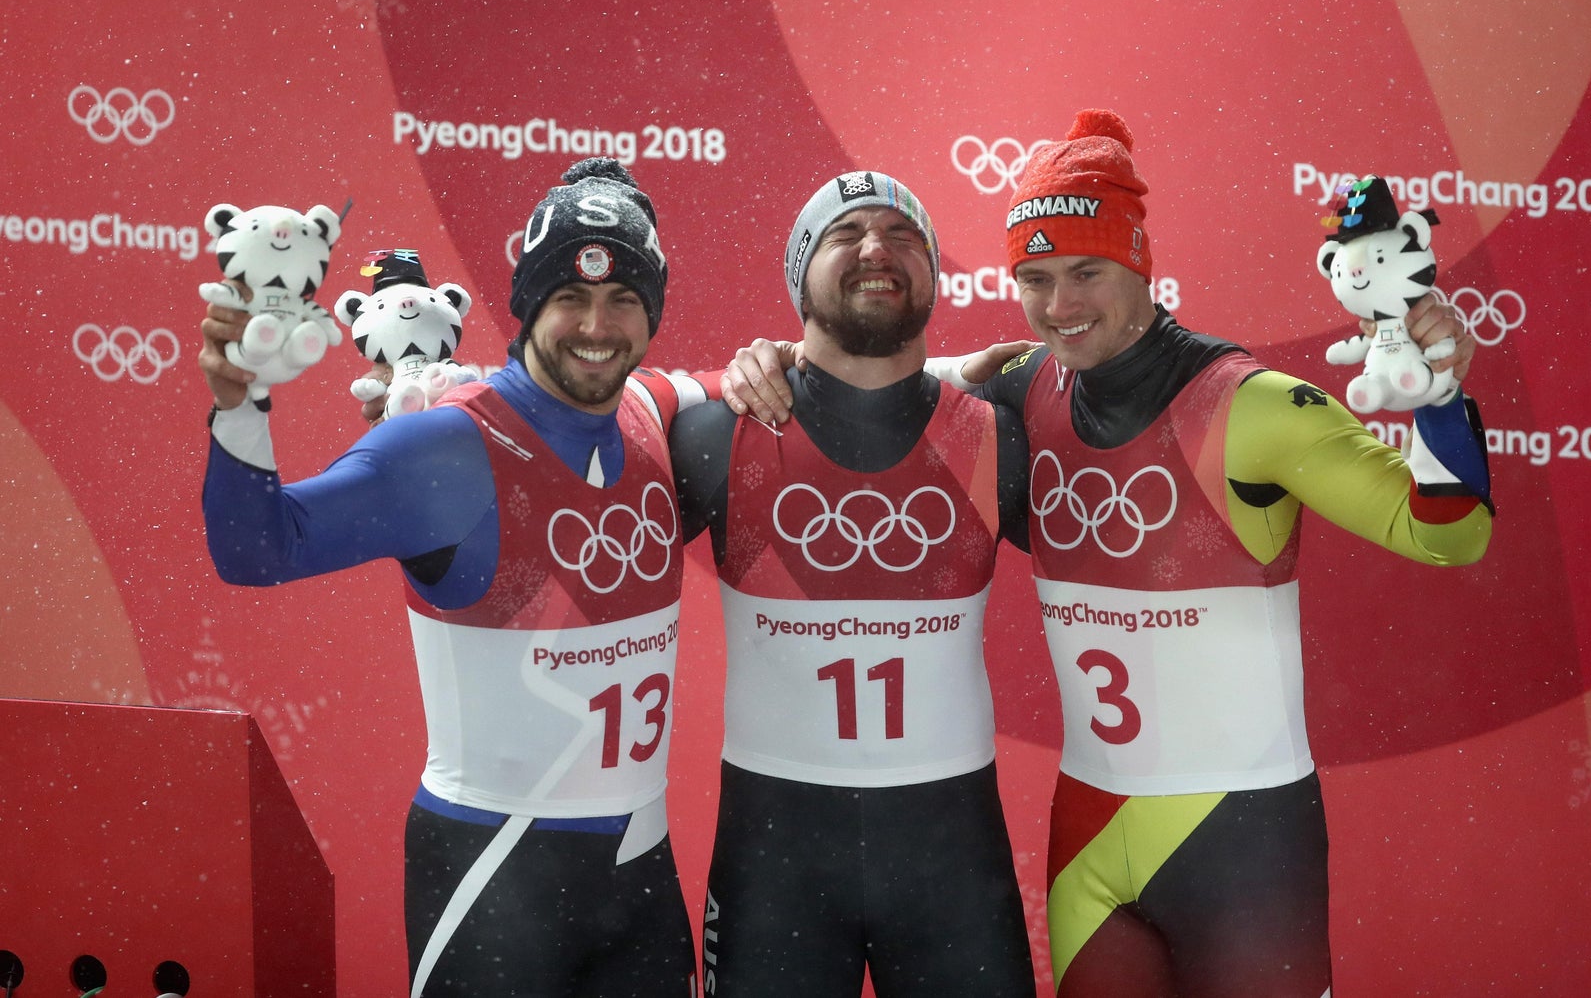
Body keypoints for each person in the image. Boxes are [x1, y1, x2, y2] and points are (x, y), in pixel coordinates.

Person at [724, 111, 1492, 997]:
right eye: (1036, 278)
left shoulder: (1254, 404)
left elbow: (1450, 533)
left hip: (1241, 848)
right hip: (1088, 839)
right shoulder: (1020, 392)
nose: (1060, 306)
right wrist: (777, 359)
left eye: (1087, 271)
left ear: (1142, 263)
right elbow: (885, 375)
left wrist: (1440, 400)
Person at [200, 158, 710, 997]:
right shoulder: (443, 446)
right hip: (494, 875)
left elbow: (796, 372)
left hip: (641, 875)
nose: (597, 324)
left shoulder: (653, 408)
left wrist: (970, 373)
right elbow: (258, 551)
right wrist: (239, 405)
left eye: (624, 298)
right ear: (526, 304)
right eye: (568, 297)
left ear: (651, 310)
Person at [669, 171, 1038, 996]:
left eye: (903, 235)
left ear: (936, 274)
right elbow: (562, 429)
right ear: (800, 271)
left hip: (952, 863)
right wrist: (430, 401)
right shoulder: (715, 434)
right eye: (846, 233)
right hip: (776, 865)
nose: (877, 247)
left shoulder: (999, 438)